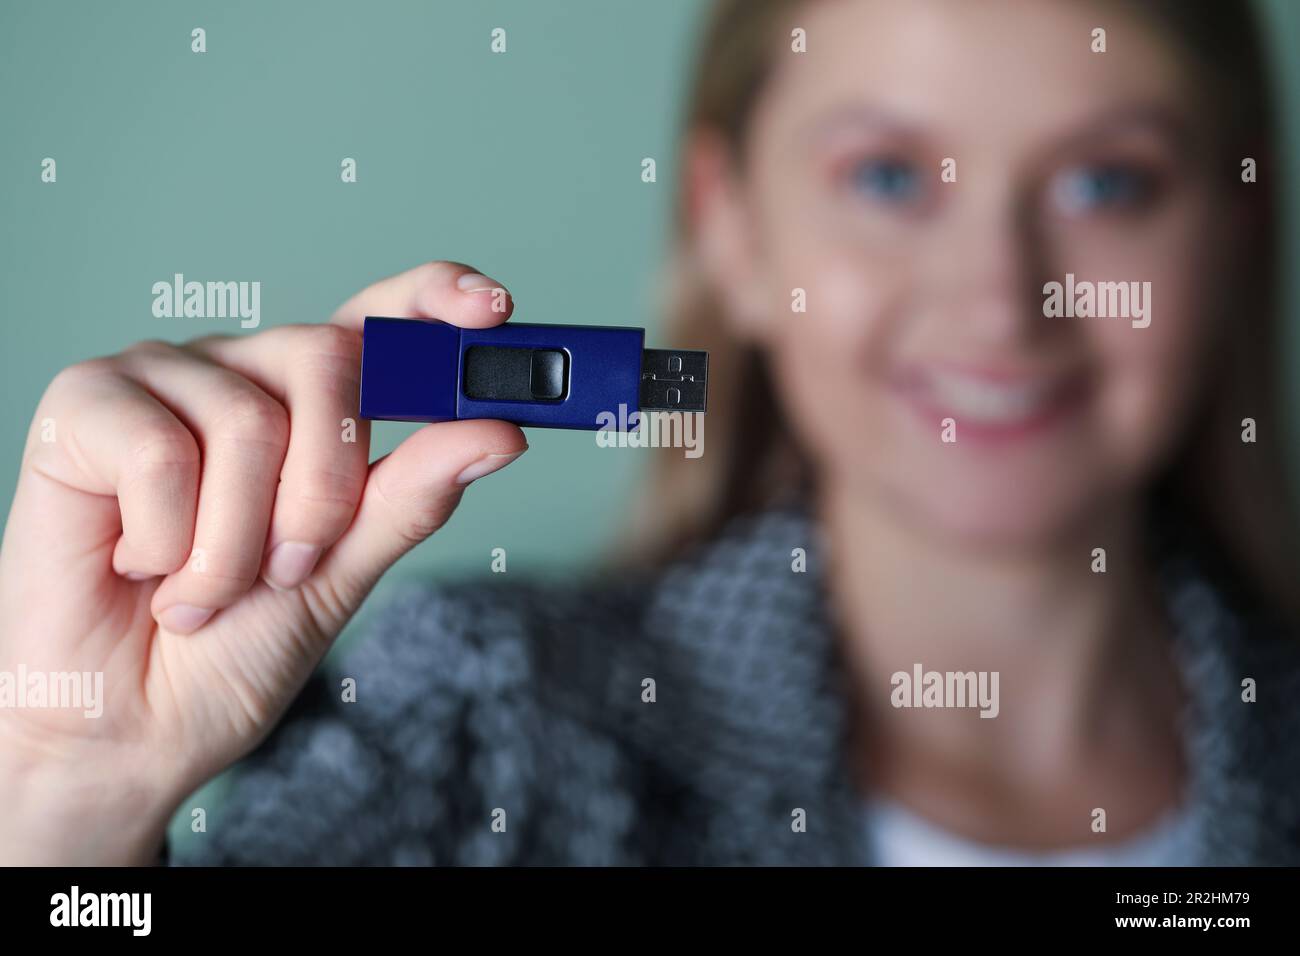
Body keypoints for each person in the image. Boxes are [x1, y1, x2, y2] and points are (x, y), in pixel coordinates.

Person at [2, 0, 1298, 866]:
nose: (1002, 298)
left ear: (1233, 232)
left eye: (1106, 182)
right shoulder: (481, 736)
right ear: (730, 229)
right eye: (891, 177)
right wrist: (68, 804)